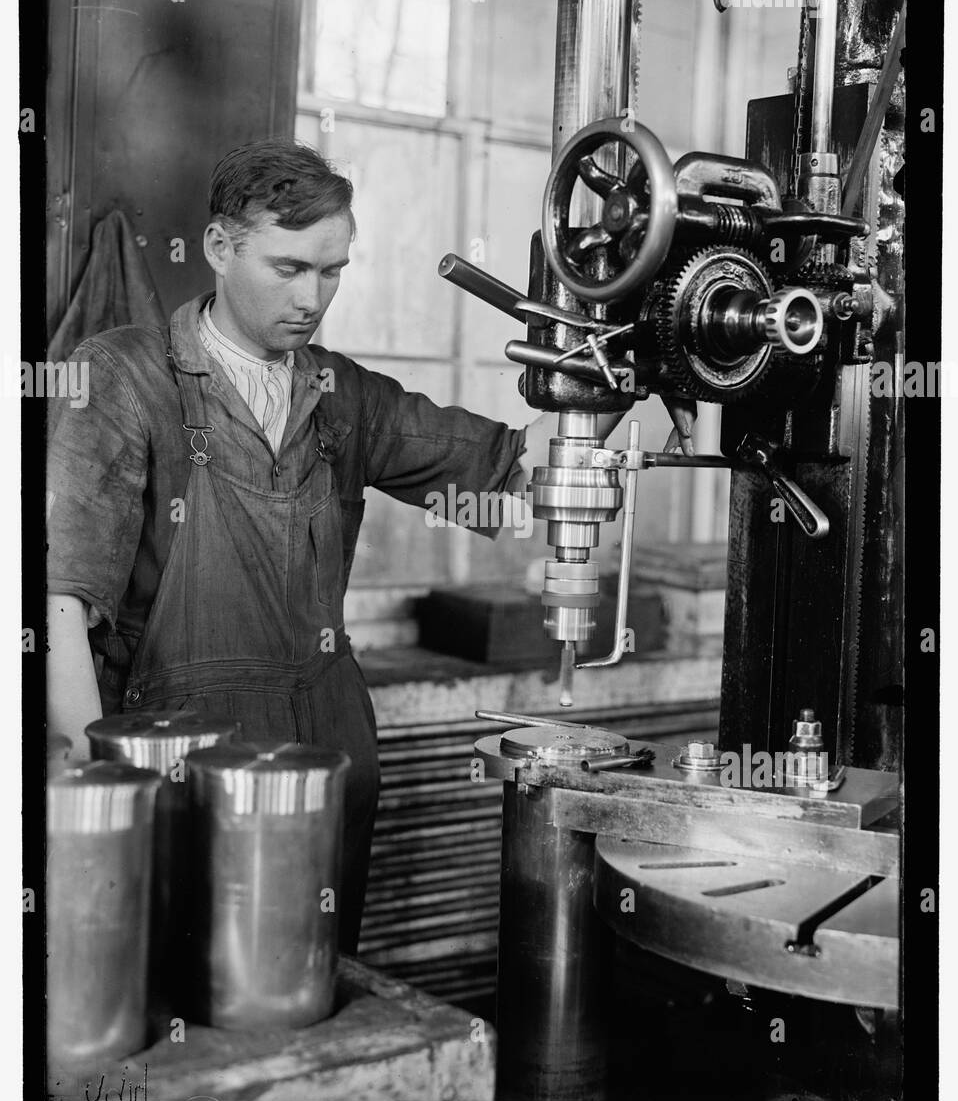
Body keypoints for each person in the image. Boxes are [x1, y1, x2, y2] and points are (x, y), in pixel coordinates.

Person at [46, 137, 692, 951]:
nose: (313, 297)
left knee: (318, 991)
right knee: (192, 1012)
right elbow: (63, 603)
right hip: (179, 763)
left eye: (333, 271)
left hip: (328, 755)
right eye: (288, 268)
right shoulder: (123, 377)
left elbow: (515, 471)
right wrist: (94, 794)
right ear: (218, 247)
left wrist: (629, 358)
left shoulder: (342, 393)